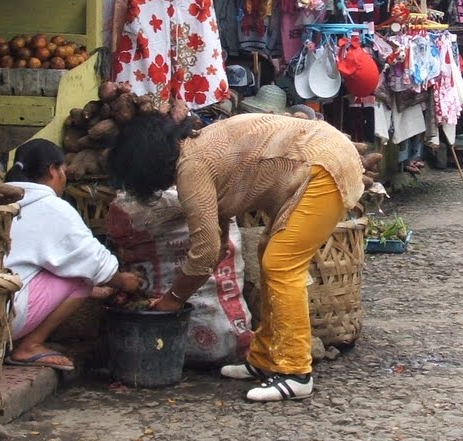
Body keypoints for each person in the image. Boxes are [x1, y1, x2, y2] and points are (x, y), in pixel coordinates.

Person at [108, 111, 364, 403]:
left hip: (324, 165)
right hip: (324, 157)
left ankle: (295, 371)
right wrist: (178, 292)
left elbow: (204, 252)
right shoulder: (196, 151)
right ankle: (265, 358)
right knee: (270, 256)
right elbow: (214, 245)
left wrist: (173, 299)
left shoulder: (191, 167)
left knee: (281, 266)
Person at [3, 139, 142, 370]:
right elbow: (95, 262)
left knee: (79, 272)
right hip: (7, 315)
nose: (65, 178)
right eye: (63, 171)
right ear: (52, 171)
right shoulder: (51, 207)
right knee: (79, 278)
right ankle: (30, 346)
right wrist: (123, 281)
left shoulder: (6, 199)